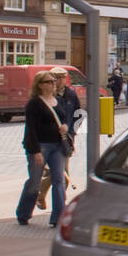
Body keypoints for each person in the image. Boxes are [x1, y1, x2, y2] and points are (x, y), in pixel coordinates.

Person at [15, 71, 68, 226]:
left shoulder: (58, 101)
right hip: (41, 146)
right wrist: (35, 151)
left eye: (54, 81)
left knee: (59, 180)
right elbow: (30, 129)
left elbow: (64, 119)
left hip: (58, 145)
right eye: (49, 82)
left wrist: (65, 127)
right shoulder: (34, 104)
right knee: (34, 182)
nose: (53, 84)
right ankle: (23, 213)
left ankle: (58, 217)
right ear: (40, 85)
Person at [38, 67, 80, 210]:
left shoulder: (71, 94)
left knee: (62, 173)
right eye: (56, 78)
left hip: (65, 139)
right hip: (48, 139)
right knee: (59, 173)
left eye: (62, 77)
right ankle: (44, 196)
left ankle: (43, 196)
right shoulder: (49, 96)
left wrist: (73, 131)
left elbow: (78, 113)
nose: (59, 80)